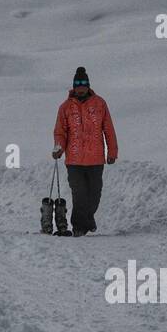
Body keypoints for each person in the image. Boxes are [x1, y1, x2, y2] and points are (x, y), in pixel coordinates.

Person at [51, 66, 117, 235]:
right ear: (74, 86)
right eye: (77, 84)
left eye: (83, 83)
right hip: (74, 160)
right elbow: (60, 132)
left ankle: (88, 218)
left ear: (88, 85)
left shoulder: (100, 103)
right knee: (79, 193)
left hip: (95, 159)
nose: (80, 87)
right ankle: (79, 227)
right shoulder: (65, 107)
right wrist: (59, 147)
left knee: (94, 194)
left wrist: (112, 152)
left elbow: (108, 129)